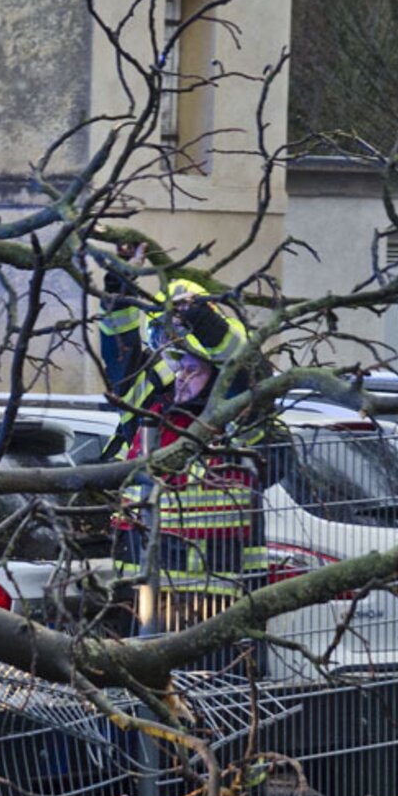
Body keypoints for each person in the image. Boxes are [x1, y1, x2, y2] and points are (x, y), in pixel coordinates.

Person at [97, 244, 268, 668]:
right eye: (176, 361)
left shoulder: (238, 420)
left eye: (193, 363)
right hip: (136, 593)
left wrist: (201, 320)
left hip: (216, 608)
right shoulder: (150, 402)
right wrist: (120, 284)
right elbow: (121, 356)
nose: (182, 374)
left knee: (207, 717)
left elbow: (248, 370)